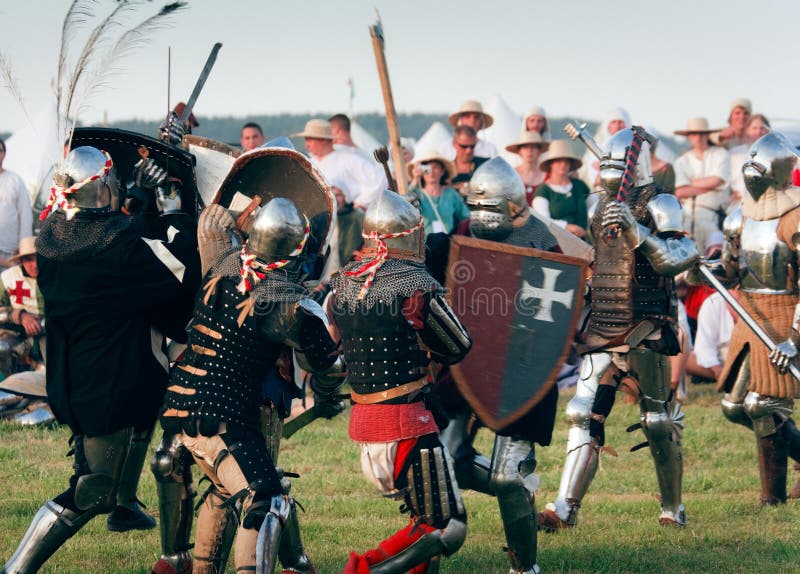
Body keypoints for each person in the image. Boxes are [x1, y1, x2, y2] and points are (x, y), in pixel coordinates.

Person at [2, 145, 201, 573]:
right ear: (102, 189)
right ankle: (16, 569)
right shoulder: (115, 246)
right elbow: (176, 269)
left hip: (77, 373)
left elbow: (122, 240)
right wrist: (172, 211)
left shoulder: (53, 235)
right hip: (107, 382)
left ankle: (128, 508)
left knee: (140, 423)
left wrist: (139, 198)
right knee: (91, 489)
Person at [160, 196, 343, 574]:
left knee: (226, 490)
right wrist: (329, 395)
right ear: (297, 251)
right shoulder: (289, 305)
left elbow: (211, 222)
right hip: (223, 419)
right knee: (265, 499)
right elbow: (326, 368)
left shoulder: (221, 266)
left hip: (180, 411)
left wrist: (240, 218)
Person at [539, 126, 699, 531]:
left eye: (616, 163)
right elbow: (601, 259)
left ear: (634, 164)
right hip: (604, 321)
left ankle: (673, 508)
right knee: (582, 412)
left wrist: (636, 230)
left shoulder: (661, 202)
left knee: (656, 420)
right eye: (605, 162)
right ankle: (564, 508)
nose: (607, 170)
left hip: (646, 322)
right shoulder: (602, 205)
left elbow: (677, 259)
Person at [333, 189, 471, 574]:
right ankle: (364, 570)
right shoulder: (415, 285)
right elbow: (458, 346)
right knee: (447, 527)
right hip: (406, 425)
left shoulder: (344, 282)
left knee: (425, 519)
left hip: (366, 422)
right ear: (411, 236)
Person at [439, 157, 560, 574]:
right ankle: (518, 495)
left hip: (521, 371)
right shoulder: (461, 233)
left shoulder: (541, 241)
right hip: (465, 364)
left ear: (514, 205)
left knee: (508, 478)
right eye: (476, 207)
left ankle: (525, 567)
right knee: (445, 464)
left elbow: (555, 313)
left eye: (490, 207)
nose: (482, 216)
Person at [712, 131, 800, 506]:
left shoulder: (795, 218)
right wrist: (705, 270)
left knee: (763, 406)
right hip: (750, 319)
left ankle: (772, 498)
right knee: (734, 407)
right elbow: (731, 271)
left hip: (783, 318)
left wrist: (794, 340)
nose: (753, 167)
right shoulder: (739, 218)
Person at [293, 118, 387, 210]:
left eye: (309, 140)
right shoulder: (311, 163)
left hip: (347, 216)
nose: (306, 145)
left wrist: (360, 202)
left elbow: (381, 180)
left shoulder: (348, 159)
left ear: (323, 140)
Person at [674, 117, 730, 253]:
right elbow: (680, 191)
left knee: (716, 245)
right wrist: (710, 187)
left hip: (713, 212)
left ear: (707, 135)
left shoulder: (720, 154)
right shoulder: (681, 161)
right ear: (689, 137)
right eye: (694, 134)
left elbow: (717, 180)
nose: (698, 137)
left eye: (702, 133)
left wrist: (691, 183)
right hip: (687, 215)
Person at [534, 140, 591, 238]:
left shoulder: (580, 185)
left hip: (582, 242)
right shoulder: (543, 191)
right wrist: (567, 227)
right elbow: (543, 220)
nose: (563, 164)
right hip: (554, 243)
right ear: (551, 164)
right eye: (558, 161)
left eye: (566, 161)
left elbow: (595, 208)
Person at [408, 149, 468, 237]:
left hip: (447, 242)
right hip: (426, 243)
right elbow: (404, 203)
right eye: (427, 168)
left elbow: (465, 217)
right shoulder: (417, 194)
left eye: (435, 167)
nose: (431, 172)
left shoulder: (451, 194)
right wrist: (415, 180)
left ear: (442, 171)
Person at [0, 138, 33, 271]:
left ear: (4, 154)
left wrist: (24, 246)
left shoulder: (15, 180)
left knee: (9, 283)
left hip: (10, 250)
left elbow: (25, 214)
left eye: (0, 150)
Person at [580, 108, 630, 191]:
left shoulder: (633, 146)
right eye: (613, 122)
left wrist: (605, 166)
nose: (617, 126)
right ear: (608, 125)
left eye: (620, 122)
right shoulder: (597, 147)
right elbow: (596, 181)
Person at [729, 114, 771, 209]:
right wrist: (730, 192)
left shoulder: (774, 154)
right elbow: (726, 178)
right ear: (747, 130)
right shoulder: (735, 153)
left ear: (768, 131)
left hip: (766, 205)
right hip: (738, 205)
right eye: (754, 128)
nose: (758, 132)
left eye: (762, 128)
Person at [505, 131, 549, 205]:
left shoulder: (550, 176)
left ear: (540, 151)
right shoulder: (509, 175)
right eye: (525, 147)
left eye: (534, 147)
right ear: (519, 151)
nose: (530, 151)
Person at [450, 126, 489, 195]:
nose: (468, 151)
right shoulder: (445, 170)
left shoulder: (486, 165)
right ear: (454, 144)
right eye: (464, 146)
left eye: (472, 146)